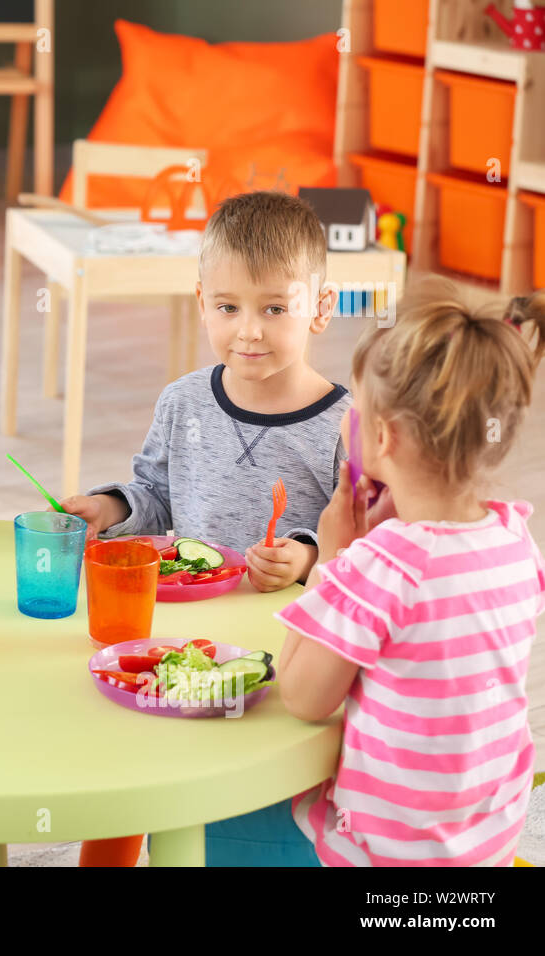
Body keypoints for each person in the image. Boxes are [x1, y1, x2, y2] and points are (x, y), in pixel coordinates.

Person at [205, 281, 545, 865]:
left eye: (354, 408)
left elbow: (303, 697)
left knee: (229, 815)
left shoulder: (382, 565)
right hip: (486, 847)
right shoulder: (517, 539)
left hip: (386, 861)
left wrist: (336, 564)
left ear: (381, 436)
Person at [62, 190, 350, 591]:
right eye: (228, 308)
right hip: (192, 624)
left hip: (289, 633)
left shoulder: (346, 427)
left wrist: (305, 560)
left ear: (320, 309)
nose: (249, 331)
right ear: (203, 304)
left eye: (275, 308)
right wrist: (104, 510)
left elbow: (366, 545)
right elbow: (156, 497)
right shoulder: (183, 401)